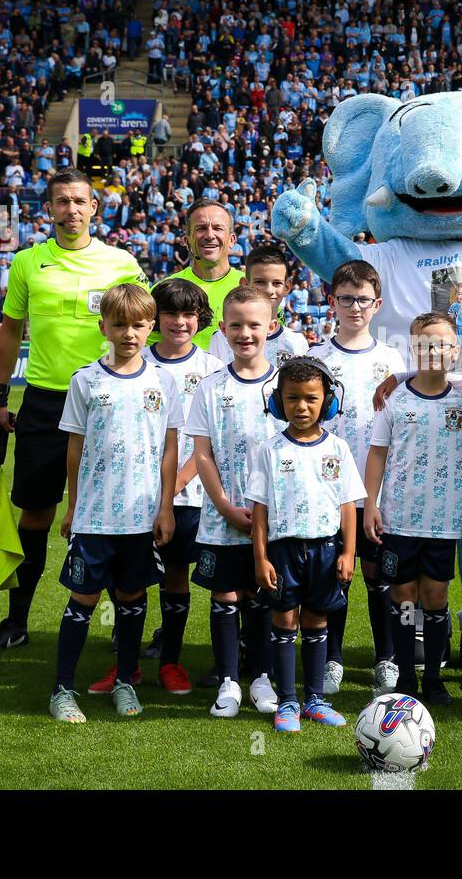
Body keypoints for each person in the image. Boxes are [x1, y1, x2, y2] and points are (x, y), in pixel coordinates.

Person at [0, 169, 147, 653]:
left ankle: (124, 620)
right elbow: (10, 331)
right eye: (61, 201)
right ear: (49, 208)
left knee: (119, 513)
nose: (71, 209)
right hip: (44, 402)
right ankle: (17, 620)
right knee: (35, 514)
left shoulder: (121, 262)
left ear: (94, 208)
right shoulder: (28, 263)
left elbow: (145, 326)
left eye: (79, 201)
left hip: (110, 399)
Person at [83, 279, 225, 694]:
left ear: (200, 319)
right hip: (134, 497)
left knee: (176, 573)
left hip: (191, 496)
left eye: (188, 314)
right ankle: (126, 665)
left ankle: (170, 661)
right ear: (154, 319)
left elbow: (209, 440)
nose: (179, 322)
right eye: (170, 313)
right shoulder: (131, 359)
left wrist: (176, 487)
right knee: (127, 579)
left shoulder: (212, 370)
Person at [47, 285, 180, 722]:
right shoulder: (86, 380)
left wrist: (165, 507)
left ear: (151, 327)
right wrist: (72, 506)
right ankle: (62, 690)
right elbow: (74, 449)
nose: (129, 333)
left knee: (131, 597)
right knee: (83, 598)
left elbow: (169, 449)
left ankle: (126, 681)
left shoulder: (164, 381)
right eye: (119, 325)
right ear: (103, 326)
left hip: (142, 517)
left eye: (139, 325)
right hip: (94, 516)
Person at [363, 311, 462, 706]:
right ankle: (407, 675)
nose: (434, 351)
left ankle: (434, 678)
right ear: (413, 349)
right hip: (399, 518)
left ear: (456, 349)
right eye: (424, 344)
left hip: (443, 523)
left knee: (436, 598)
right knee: (404, 598)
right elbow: (377, 455)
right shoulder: (395, 399)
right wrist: (370, 505)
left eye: (442, 343)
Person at [247, 356, 365, 732]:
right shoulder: (270, 450)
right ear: (277, 401)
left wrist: (348, 551)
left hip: (326, 551)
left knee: (317, 620)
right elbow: (260, 513)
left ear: (327, 401)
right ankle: (287, 702)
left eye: (311, 398)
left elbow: (348, 506)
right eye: (292, 398)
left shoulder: (340, 449)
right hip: (283, 551)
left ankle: (315, 698)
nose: (302, 407)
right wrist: (261, 558)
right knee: (284, 621)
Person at [186, 286, 286, 715]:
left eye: (255, 325)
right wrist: (225, 505)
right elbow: (202, 454)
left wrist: (269, 510)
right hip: (221, 515)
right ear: (223, 329)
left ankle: (262, 677)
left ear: (272, 328)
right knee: (225, 595)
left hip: (275, 518)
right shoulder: (210, 387)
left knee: (262, 592)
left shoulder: (287, 385)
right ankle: (228, 680)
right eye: (237, 326)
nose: (246, 333)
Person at [306, 261, 404, 695]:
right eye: (345, 298)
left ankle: (387, 657)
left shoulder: (392, 360)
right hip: (329, 491)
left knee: (378, 576)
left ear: (377, 304)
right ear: (332, 302)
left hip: (377, 492)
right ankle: (332, 659)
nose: (354, 307)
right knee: (335, 575)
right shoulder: (316, 359)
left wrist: (381, 494)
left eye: (363, 299)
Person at [161, 200, 245, 351]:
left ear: (232, 240)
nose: (210, 235)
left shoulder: (252, 287)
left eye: (218, 228)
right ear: (187, 241)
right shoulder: (164, 290)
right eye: (201, 228)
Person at [209, 244, 308, 365]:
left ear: (287, 287)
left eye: (277, 283)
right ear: (244, 284)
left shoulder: (296, 342)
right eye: (260, 282)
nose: (269, 290)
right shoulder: (221, 339)